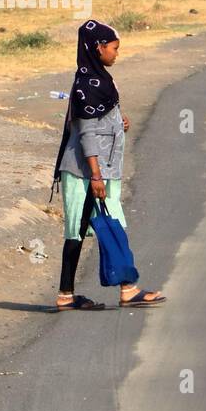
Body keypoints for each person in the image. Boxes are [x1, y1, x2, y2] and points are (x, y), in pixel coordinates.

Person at [52, 19, 165, 310]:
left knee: (81, 230)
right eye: (114, 48)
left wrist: (119, 121)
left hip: (98, 171)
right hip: (85, 173)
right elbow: (87, 133)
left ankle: (67, 294)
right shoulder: (88, 85)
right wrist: (96, 176)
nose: (117, 53)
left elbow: (100, 120)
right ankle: (128, 288)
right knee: (101, 226)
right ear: (97, 47)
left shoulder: (97, 78)